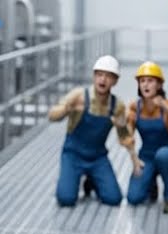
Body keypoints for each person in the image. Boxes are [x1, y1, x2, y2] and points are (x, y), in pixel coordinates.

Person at [47, 55, 136, 207]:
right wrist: (67, 108)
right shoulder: (78, 95)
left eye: (108, 76)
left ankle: (92, 180)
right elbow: (52, 116)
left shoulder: (117, 106)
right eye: (99, 75)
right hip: (73, 155)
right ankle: (72, 178)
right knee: (66, 199)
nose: (103, 80)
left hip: (97, 158)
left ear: (115, 81)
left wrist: (134, 158)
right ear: (94, 76)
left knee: (114, 199)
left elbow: (123, 137)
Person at [124, 61, 168, 214]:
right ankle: (151, 183)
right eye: (142, 81)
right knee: (133, 198)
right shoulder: (135, 107)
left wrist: (164, 106)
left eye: (150, 81)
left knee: (163, 156)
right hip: (146, 156)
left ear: (159, 85)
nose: (146, 85)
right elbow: (128, 139)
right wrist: (126, 123)